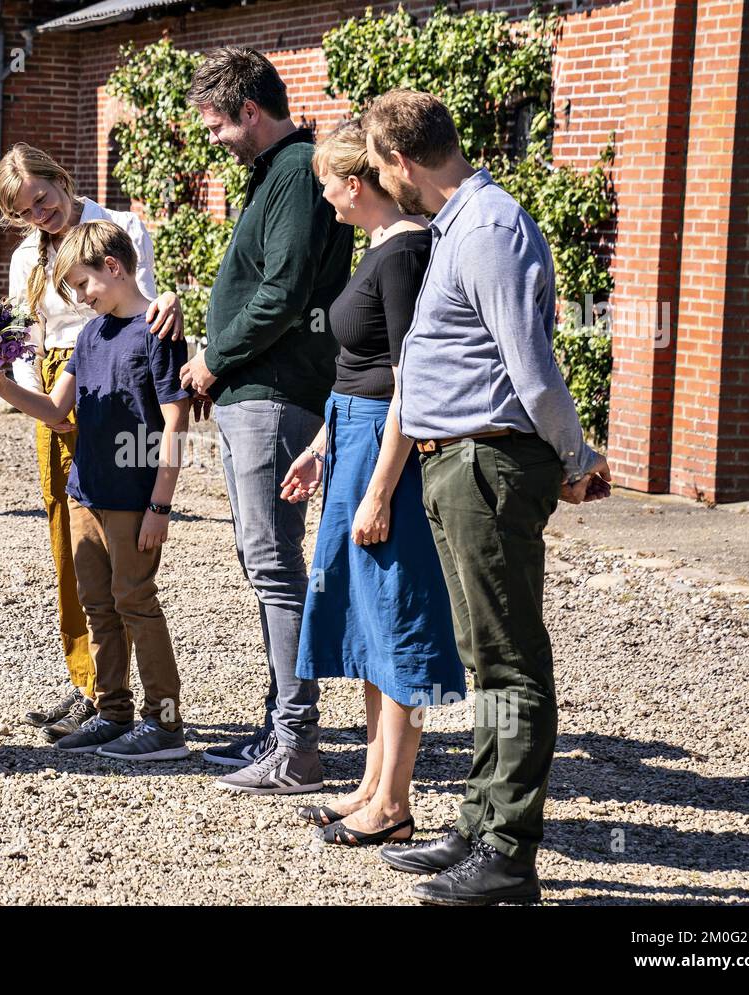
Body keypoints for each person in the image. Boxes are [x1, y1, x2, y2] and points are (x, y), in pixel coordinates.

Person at [362, 91, 612, 904]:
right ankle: (477, 825)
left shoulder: (492, 227)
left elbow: (531, 368)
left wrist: (576, 456)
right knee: (484, 659)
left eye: (375, 163)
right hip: (458, 464)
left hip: (488, 465)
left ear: (402, 161)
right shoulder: (460, 223)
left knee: (508, 664)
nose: (374, 178)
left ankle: (507, 854)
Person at [280, 120, 465, 846]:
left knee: (395, 622)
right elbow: (359, 373)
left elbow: (407, 383)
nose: (324, 201)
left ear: (354, 186)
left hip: (388, 450)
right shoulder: (383, 248)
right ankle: (369, 783)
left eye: (327, 187)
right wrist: (324, 447)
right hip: (353, 439)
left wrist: (381, 489)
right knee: (363, 623)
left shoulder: (407, 253)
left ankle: (394, 802)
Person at [179, 47, 353, 794]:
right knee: (265, 564)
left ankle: (296, 744)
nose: (214, 140)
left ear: (251, 111)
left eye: (218, 125)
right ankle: (278, 723)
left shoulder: (296, 171)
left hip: (274, 392)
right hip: (263, 392)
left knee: (274, 566)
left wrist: (215, 358)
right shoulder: (280, 174)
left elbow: (282, 292)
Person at [0, 144, 184, 743]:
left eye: (42, 199)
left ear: (60, 177)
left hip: (124, 376)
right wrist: (14, 387)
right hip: (64, 376)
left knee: (128, 575)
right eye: (25, 211)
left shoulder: (119, 230)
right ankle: (95, 687)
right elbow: (26, 335)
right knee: (72, 544)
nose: (39, 215)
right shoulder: (28, 255)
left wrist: (173, 303)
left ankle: (151, 711)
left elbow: (147, 307)